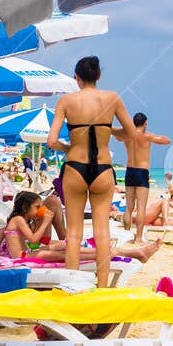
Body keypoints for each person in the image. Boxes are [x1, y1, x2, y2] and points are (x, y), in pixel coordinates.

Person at [48, 54, 134, 282]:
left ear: (76, 77)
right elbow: (132, 133)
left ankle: (72, 285)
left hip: (75, 167)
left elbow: (51, 141)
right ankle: (102, 286)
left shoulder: (66, 101)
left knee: (74, 233)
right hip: (103, 169)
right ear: (99, 76)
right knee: (102, 231)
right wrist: (112, 131)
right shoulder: (112, 98)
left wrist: (67, 148)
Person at [120, 111, 171, 230]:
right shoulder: (147, 136)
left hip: (130, 171)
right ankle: (138, 237)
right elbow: (167, 140)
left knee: (129, 207)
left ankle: (126, 232)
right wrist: (151, 135)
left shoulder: (127, 136)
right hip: (141, 172)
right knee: (141, 207)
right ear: (145, 123)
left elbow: (117, 136)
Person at [0, 191, 58, 258]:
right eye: (37, 207)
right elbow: (34, 240)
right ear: (25, 207)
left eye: (41, 207)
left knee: (63, 246)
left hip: (28, 250)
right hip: (23, 255)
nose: (40, 209)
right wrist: (45, 223)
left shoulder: (27, 221)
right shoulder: (18, 219)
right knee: (59, 254)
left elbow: (2, 231)